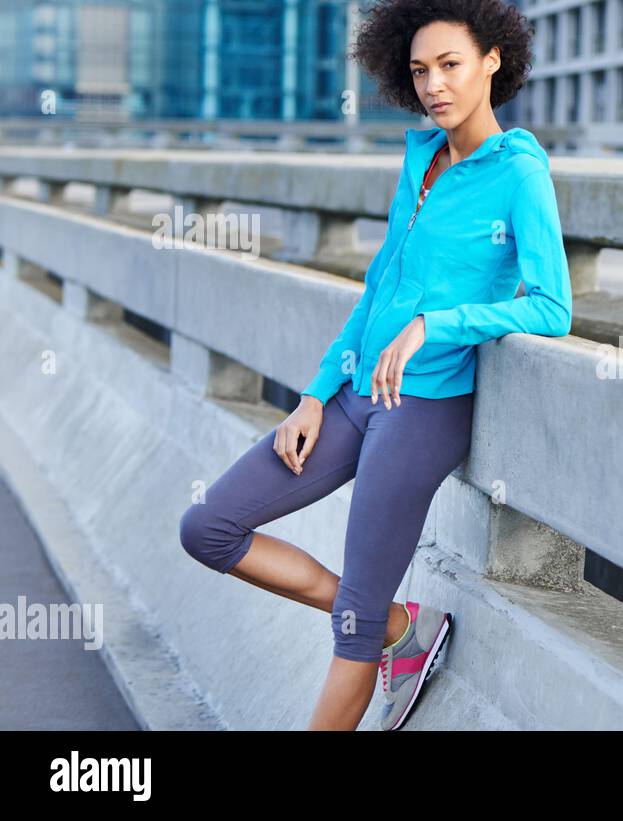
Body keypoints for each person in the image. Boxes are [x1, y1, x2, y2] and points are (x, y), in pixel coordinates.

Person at [178, 0, 572, 731]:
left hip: (423, 411)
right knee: (207, 528)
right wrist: (316, 393)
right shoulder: (420, 154)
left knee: (348, 628)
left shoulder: (520, 174)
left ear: (493, 60)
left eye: (451, 65)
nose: (434, 85)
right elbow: (378, 287)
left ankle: (374, 622)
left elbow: (553, 307)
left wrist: (436, 323)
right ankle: (399, 625)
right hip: (353, 397)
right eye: (420, 70)